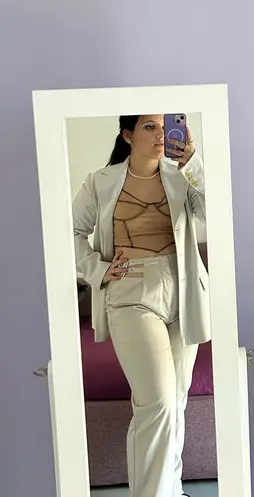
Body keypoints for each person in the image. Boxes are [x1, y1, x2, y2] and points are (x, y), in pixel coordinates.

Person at [72, 114, 211, 497]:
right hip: (131, 291)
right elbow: (70, 231)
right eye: (150, 126)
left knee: (175, 401)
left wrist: (192, 162)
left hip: (185, 290)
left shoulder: (181, 176)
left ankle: (171, 490)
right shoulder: (100, 181)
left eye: (166, 125)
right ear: (128, 135)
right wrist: (98, 269)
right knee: (158, 402)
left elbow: (214, 213)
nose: (161, 134)